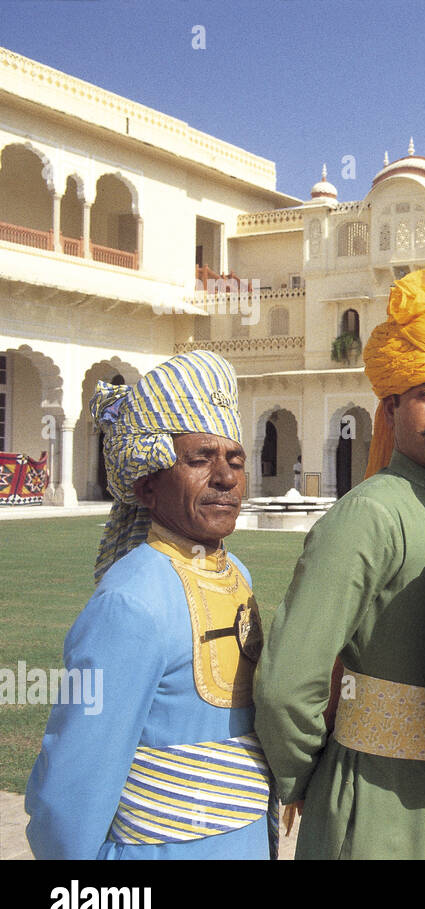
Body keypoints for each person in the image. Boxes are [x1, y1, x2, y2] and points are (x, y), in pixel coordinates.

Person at [254, 270, 425, 859]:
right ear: (389, 408)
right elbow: (289, 683)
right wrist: (301, 776)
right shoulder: (368, 516)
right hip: (372, 796)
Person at [25, 351, 273, 859]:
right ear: (147, 484)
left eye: (236, 460)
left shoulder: (237, 575)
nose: (225, 477)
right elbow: (75, 780)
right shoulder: (131, 602)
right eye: (200, 459)